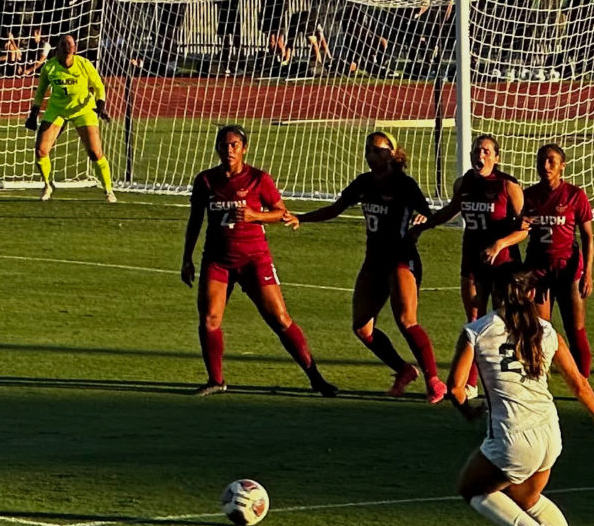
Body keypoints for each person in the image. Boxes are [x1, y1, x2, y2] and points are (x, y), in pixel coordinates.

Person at [446, 265, 594, 526]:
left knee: (471, 489)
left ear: (494, 292)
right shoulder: (547, 331)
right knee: (527, 498)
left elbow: (455, 387)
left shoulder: (478, 331)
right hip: (550, 433)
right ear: (533, 294)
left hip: (512, 436)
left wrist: (468, 411)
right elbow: (578, 382)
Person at [181, 125, 336, 397]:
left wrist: (255, 216)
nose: (229, 150)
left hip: (254, 259)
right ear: (217, 147)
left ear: (244, 148)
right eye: (224, 144)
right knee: (209, 319)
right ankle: (216, 380)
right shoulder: (205, 180)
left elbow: (280, 212)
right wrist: (187, 258)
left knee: (280, 318)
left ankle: (315, 378)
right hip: (217, 260)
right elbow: (195, 221)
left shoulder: (258, 179)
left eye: (234, 144)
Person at [298, 130, 447, 399]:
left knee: (406, 321)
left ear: (392, 154)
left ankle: (433, 379)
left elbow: (427, 213)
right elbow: (335, 208)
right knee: (362, 327)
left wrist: (421, 225)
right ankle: (403, 369)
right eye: (369, 150)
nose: (372, 155)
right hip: (374, 261)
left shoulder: (404, 184)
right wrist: (301, 218)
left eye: (378, 150)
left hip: (401, 259)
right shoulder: (364, 182)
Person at [490, 142, 594, 377]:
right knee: (540, 328)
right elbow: (518, 229)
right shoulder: (529, 196)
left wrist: (587, 273)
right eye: (541, 160)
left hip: (568, 270)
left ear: (562, 166)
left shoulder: (574, 195)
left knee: (575, 329)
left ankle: (583, 380)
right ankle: (540, 376)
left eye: (551, 160)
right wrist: (517, 227)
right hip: (538, 272)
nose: (545, 165)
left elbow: (588, 237)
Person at [428, 132, 525, 325]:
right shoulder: (464, 183)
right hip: (472, 259)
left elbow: (525, 228)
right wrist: (424, 224)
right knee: (474, 321)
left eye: (486, 151)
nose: (480, 155)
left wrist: (499, 244)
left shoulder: (508, 185)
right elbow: (449, 211)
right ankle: (475, 356)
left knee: (504, 320)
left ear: (496, 157)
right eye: (476, 151)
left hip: (502, 263)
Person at [29, 33, 115, 202]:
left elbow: (98, 86)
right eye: (64, 43)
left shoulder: (84, 64)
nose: (68, 46)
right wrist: (33, 114)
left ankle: (108, 190)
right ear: (58, 48)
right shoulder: (50, 67)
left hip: (83, 109)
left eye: (71, 44)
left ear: (75, 49)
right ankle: (47, 185)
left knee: (95, 153)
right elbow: (40, 92)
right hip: (57, 110)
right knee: (41, 150)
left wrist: (101, 106)